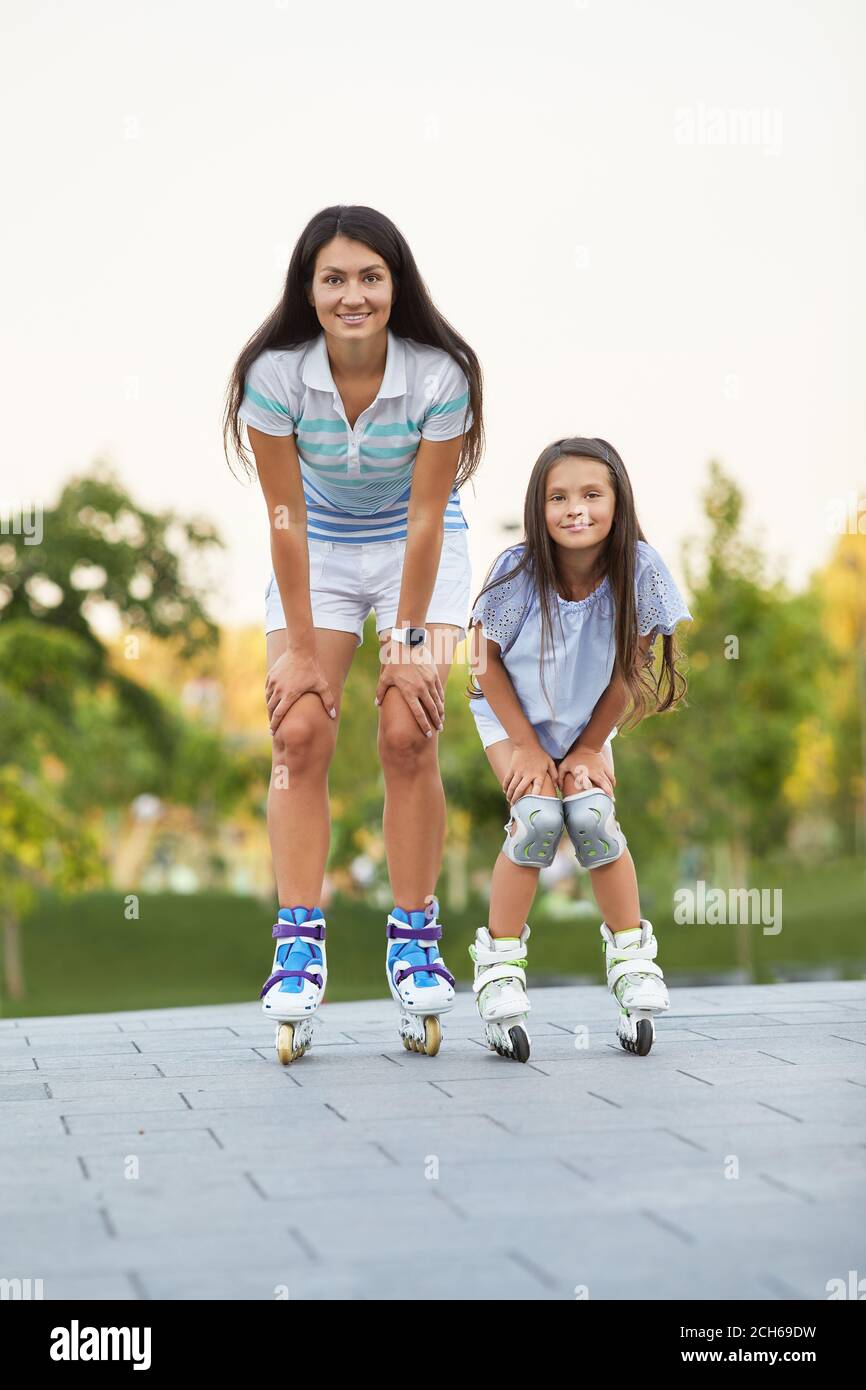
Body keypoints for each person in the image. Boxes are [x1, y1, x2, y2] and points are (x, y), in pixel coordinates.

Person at [224, 205, 483, 1063]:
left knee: (409, 731)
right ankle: (298, 938)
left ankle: (414, 937)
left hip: (421, 546)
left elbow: (422, 514)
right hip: (320, 551)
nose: (353, 294)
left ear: (396, 284)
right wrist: (300, 646)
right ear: (309, 289)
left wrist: (408, 641)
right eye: (334, 278)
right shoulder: (274, 375)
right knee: (297, 729)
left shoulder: (440, 374)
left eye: (370, 276)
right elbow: (285, 514)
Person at [466, 437, 692, 1061]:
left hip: (587, 723)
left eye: (592, 495)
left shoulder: (640, 570)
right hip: (511, 718)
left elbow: (629, 669)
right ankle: (500, 971)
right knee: (538, 819)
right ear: (538, 506)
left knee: (591, 816)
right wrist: (526, 749)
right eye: (558, 497)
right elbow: (482, 662)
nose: (575, 510)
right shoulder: (516, 572)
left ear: (618, 502)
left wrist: (591, 746)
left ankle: (631, 961)